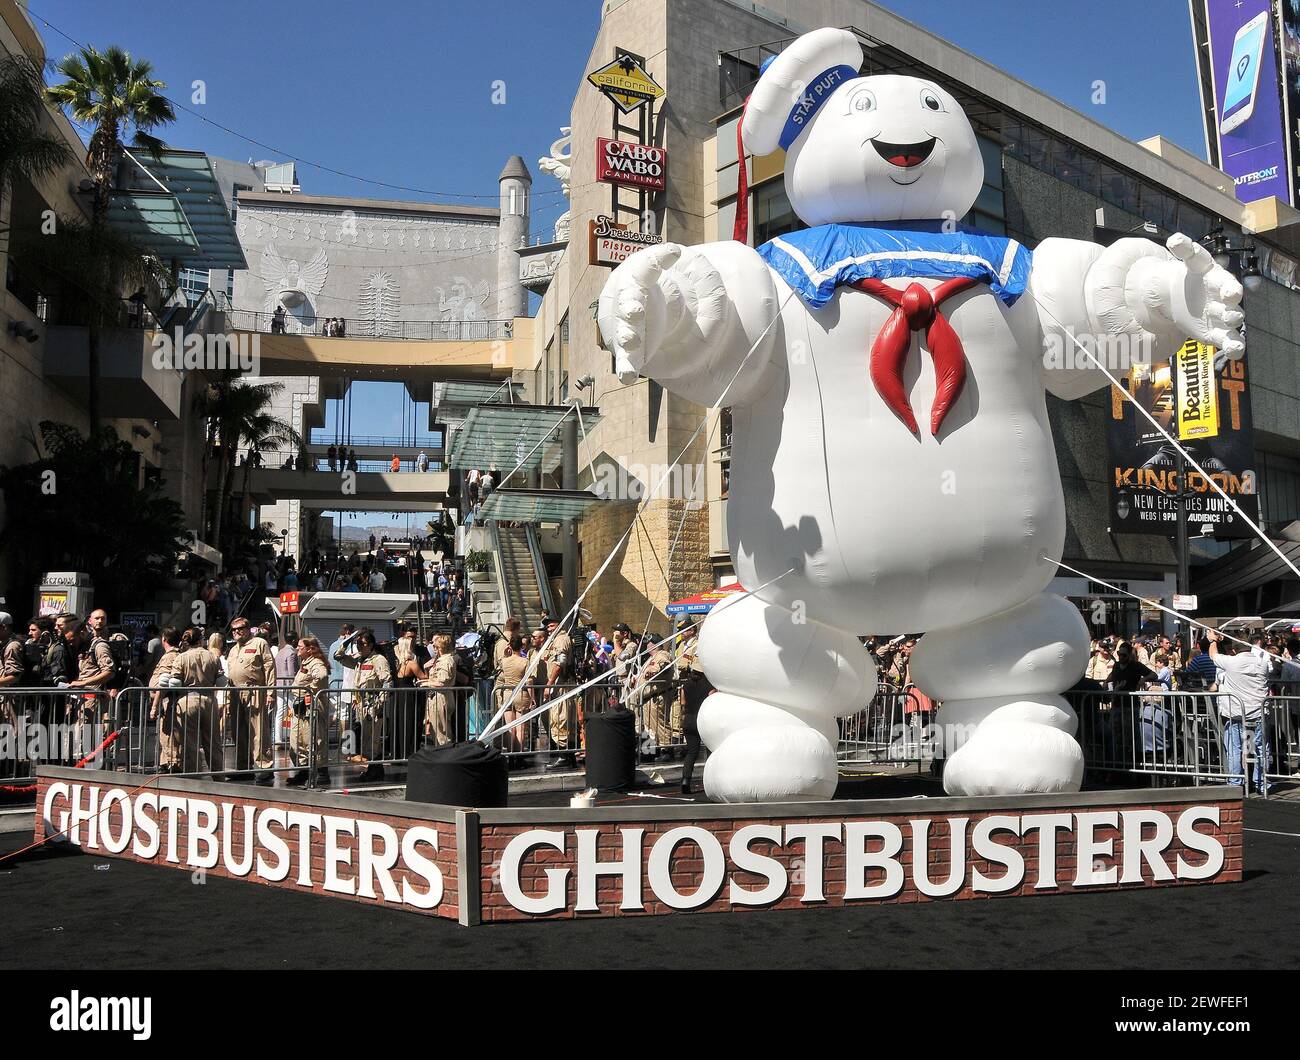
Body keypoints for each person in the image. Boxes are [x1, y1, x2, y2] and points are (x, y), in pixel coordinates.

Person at [1208, 630, 1273, 795]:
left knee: (1235, 749)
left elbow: (1213, 655)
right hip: (1258, 714)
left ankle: (1235, 784)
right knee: (1258, 749)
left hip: (1237, 715)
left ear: (1234, 650)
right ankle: (1261, 782)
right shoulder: (1262, 663)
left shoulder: (1231, 662)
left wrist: (1212, 640)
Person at [225, 618, 276, 784]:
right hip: (235, 693)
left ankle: (265, 766)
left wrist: (270, 692)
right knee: (238, 731)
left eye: (239, 629)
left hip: (255, 690)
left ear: (247, 629)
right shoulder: (233, 649)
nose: (236, 632)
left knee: (258, 730)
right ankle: (243, 767)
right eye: (233, 630)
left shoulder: (259, 643)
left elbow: (269, 668)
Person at [335, 628, 389, 781]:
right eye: (358, 644)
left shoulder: (379, 660)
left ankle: (376, 770)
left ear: (371, 645)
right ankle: (374, 769)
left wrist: (380, 703)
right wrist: (347, 642)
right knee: (365, 739)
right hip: (361, 704)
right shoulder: (359, 659)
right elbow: (338, 656)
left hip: (374, 703)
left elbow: (387, 682)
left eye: (363, 644)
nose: (360, 646)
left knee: (373, 739)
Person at [286, 636, 331, 786]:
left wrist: (309, 690)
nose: (298, 648)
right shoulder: (305, 663)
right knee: (298, 740)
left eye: (300, 646)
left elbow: (322, 675)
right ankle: (304, 770)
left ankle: (322, 772)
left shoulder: (316, 663)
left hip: (313, 706)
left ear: (310, 649)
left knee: (314, 739)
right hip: (301, 707)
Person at [147, 626, 182, 772]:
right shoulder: (176, 654)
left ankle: (172, 764)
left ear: (164, 639)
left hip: (166, 700)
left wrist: (154, 706)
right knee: (165, 735)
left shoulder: (169, 656)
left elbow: (163, 683)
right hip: (166, 701)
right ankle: (165, 763)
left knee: (168, 736)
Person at [680, 657, 714, 794]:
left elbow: (682, 703)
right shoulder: (709, 686)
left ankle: (685, 780)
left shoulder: (686, 685)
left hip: (688, 719)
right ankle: (710, 782)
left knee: (691, 752)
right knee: (710, 751)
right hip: (703, 719)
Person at [422, 634, 459, 747]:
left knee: (442, 733)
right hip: (437, 697)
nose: (434, 648)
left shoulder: (446, 661)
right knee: (436, 731)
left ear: (441, 648)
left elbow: (442, 682)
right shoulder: (441, 660)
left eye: (436, 647)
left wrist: (427, 683)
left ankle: (445, 756)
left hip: (442, 697)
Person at [273, 631, 300, 749]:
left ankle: (277, 739)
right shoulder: (291, 653)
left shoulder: (280, 652)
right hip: (289, 687)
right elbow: (292, 672)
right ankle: (296, 739)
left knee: (279, 713)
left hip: (278, 685)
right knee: (295, 712)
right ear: (294, 640)